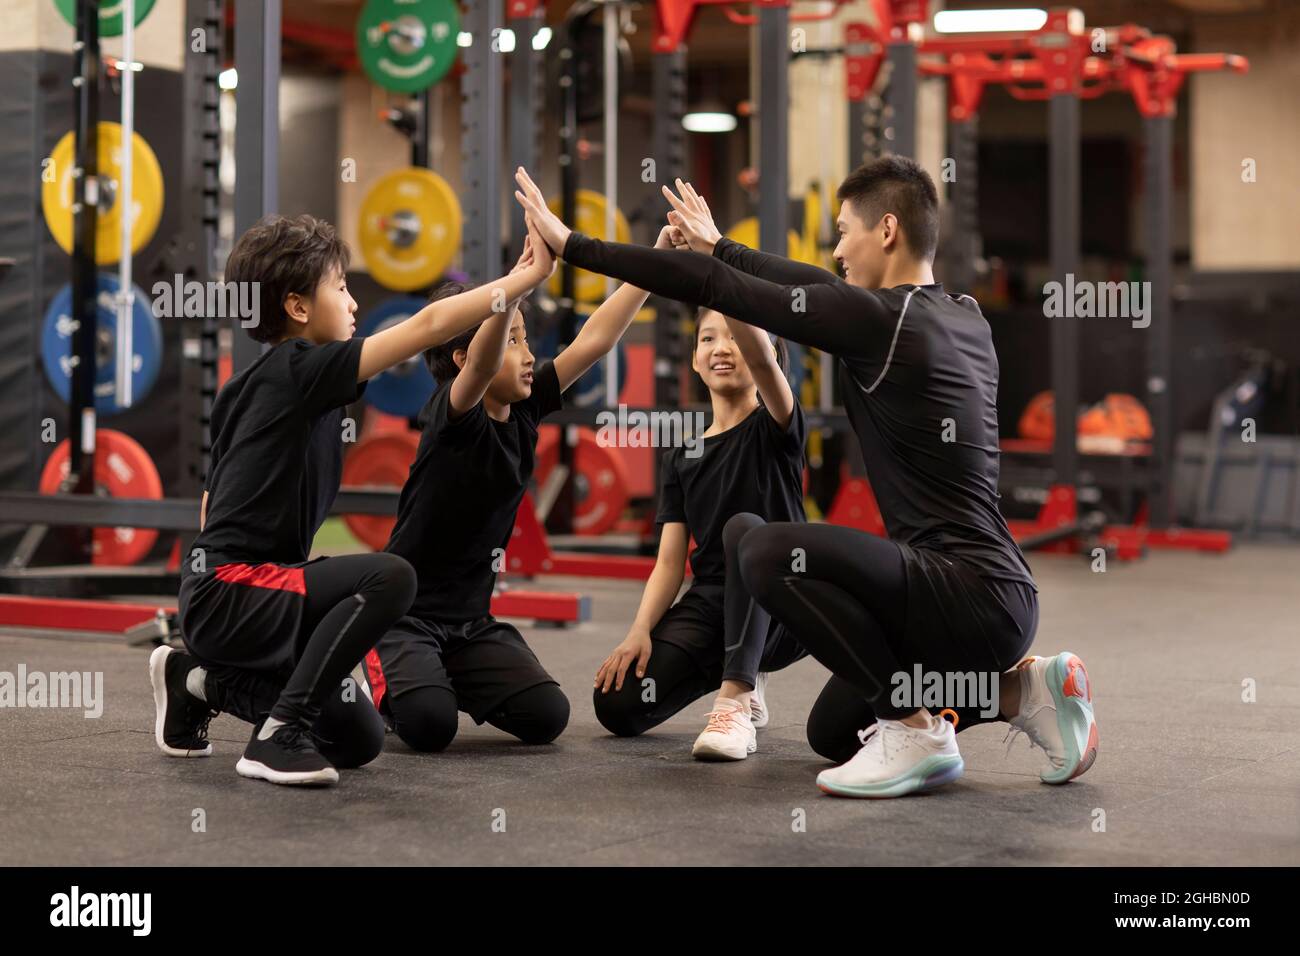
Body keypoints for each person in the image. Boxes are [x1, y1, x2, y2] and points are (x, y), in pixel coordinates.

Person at [512, 160, 1098, 797]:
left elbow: (723, 284)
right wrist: (723, 247)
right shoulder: (963, 315)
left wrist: (572, 244)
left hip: (961, 593)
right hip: (993, 600)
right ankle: (1019, 689)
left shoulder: (879, 322)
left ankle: (914, 730)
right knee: (834, 731)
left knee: (765, 550)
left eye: (845, 232)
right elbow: (809, 283)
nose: (838, 250)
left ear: (888, 231)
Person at [150, 213, 555, 786]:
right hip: (233, 591)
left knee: (357, 738)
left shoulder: (251, 387)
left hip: (251, 594)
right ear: (297, 308)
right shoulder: (298, 371)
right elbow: (430, 325)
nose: (354, 302)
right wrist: (523, 279)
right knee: (391, 577)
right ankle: (274, 738)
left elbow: (211, 502)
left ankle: (194, 680)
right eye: (340, 288)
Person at [362, 227, 675, 753]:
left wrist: (656, 260)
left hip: (470, 622)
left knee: (545, 716)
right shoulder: (450, 415)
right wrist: (518, 283)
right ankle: (381, 665)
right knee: (428, 727)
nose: (528, 354)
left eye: (526, 338)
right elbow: (484, 364)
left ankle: (438, 675)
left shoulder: (526, 410)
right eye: (513, 341)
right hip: (405, 616)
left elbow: (596, 340)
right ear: (462, 359)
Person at [592, 306, 807, 761]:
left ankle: (734, 699)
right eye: (708, 339)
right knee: (619, 705)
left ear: (767, 354)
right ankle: (744, 668)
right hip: (714, 603)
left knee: (746, 532)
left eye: (737, 338)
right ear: (693, 358)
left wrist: (722, 278)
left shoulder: (775, 426)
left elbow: (767, 366)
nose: (722, 349)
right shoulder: (682, 456)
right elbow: (669, 564)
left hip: (786, 601)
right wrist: (639, 630)